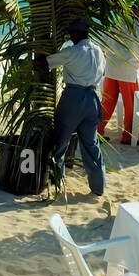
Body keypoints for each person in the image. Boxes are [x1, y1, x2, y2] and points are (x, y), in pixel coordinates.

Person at [44, 19, 106, 196]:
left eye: (72, 33)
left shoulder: (72, 52)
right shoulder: (99, 52)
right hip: (93, 99)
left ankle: (58, 183)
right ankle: (98, 187)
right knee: (91, 145)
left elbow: (45, 63)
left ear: (77, 34)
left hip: (74, 97)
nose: (71, 37)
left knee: (60, 142)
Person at [97, 3, 139, 145]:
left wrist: (110, 61)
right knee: (131, 106)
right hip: (128, 71)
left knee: (107, 102)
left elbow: (102, 48)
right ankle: (127, 136)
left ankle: (98, 131)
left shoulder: (114, 24)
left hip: (111, 69)